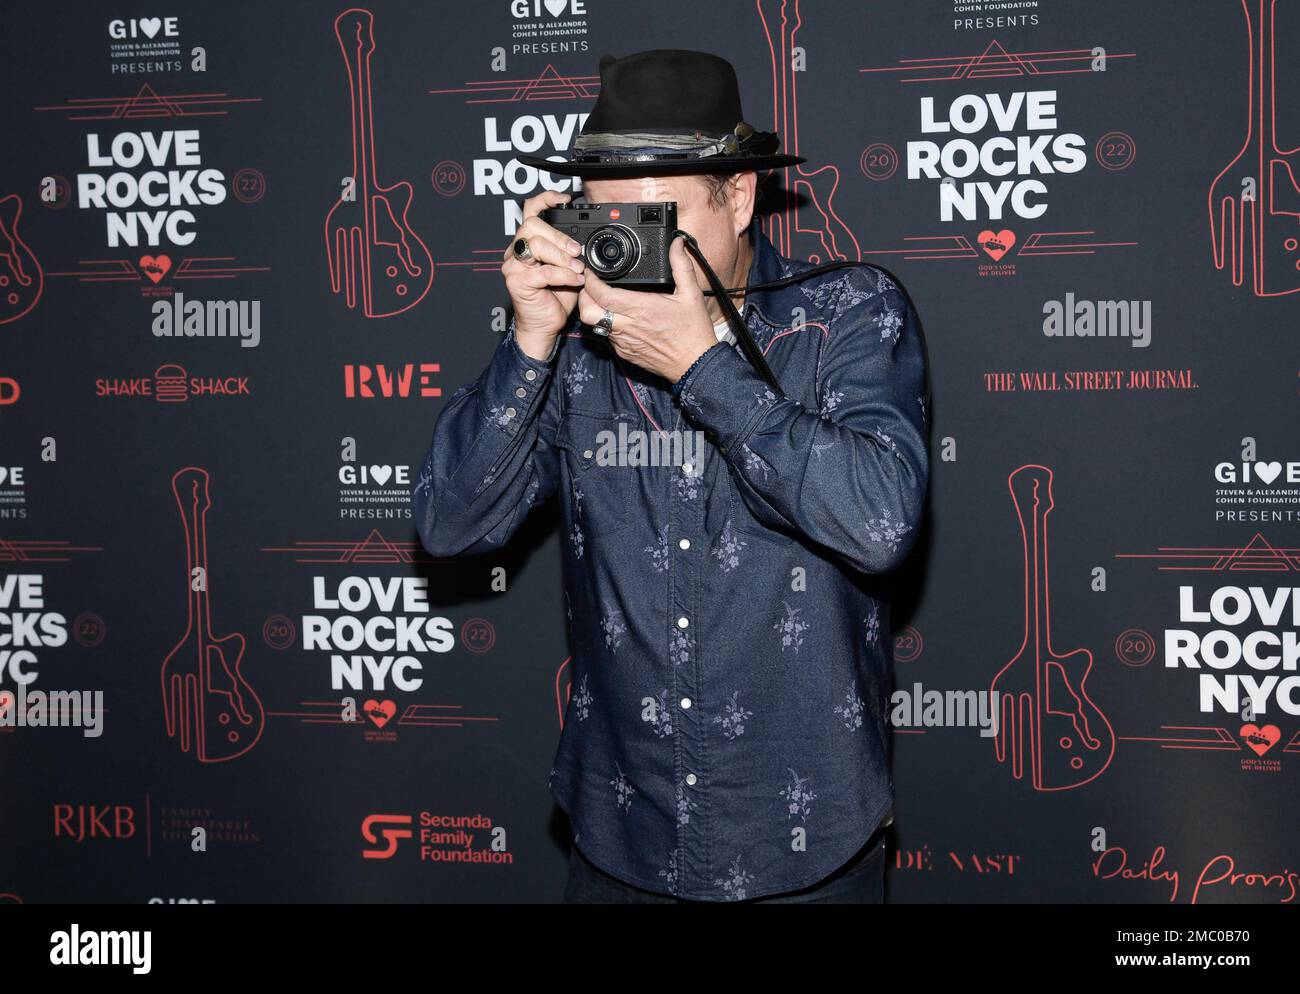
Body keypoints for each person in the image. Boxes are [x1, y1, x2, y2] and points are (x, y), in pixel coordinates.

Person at [412, 49, 930, 903]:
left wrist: (702, 366)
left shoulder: (844, 313)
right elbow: (449, 523)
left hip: (802, 842)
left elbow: (879, 521)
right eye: (609, 218)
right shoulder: (576, 350)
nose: (631, 246)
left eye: (659, 217)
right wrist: (530, 337)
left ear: (740, 196)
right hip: (624, 837)